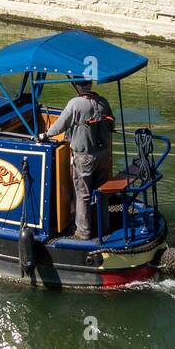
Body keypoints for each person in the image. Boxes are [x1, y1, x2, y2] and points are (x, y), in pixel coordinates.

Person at [38, 80, 114, 240]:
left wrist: (44, 136)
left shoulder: (74, 104)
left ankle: (83, 231)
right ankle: (105, 226)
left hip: (84, 157)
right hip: (104, 155)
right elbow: (111, 125)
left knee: (83, 195)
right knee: (103, 193)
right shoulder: (103, 101)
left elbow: (59, 126)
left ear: (77, 87)